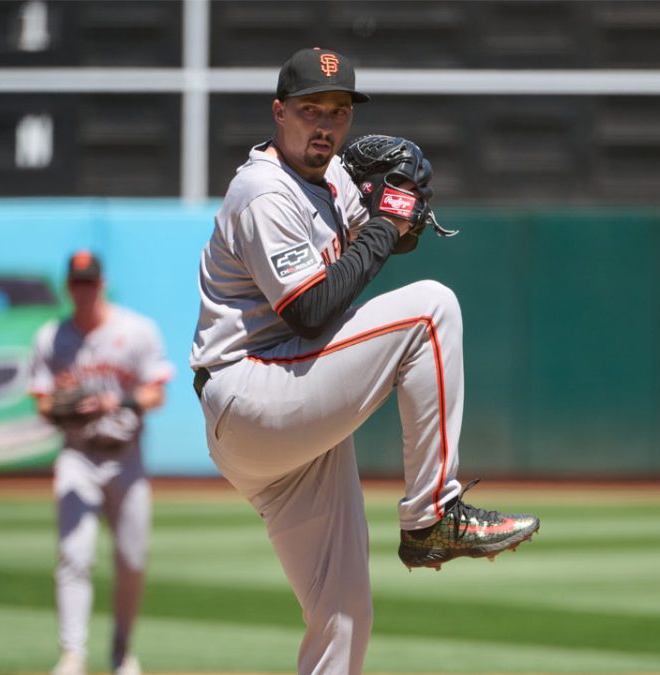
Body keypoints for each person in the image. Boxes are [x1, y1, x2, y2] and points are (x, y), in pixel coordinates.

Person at [189, 47, 539, 674]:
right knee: (432, 308)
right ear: (279, 112)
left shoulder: (331, 180)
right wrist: (382, 226)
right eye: (310, 110)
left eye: (339, 112)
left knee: (344, 613)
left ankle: (428, 520)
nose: (325, 125)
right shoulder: (262, 190)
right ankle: (433, 513)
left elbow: (381, 241)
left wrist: (400, 217)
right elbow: (312, 308)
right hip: (251, 391)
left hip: (290, 414)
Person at [29, 250, 174, 675]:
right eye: (78, 282)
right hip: (77, 455)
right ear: (68, 287)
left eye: (90, 281)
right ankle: (72, 655)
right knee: (75, 554)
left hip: (126, 457)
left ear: (102, 283)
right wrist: (63, 408)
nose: (85, 289)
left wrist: (116, 401)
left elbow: (156, 393)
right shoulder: (51, 338)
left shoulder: (136, 332)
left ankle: (122, 649)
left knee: (132, 559)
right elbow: (40, 401)